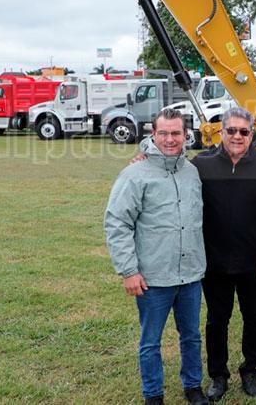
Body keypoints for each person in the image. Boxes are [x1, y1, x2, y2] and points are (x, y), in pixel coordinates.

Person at [104, 108, 207, 405]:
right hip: (152, 276)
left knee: (191, 336)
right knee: (151, 341)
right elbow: (117, 222)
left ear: (185, 135)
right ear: (153, 134)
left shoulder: (192, 171)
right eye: (164, 133)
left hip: (190, 273)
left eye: (176, 133)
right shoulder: (135, 174)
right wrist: (128, 270)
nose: (170, 139)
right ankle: (153, 394)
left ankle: (193, 386)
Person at [191, 107, 256, 401]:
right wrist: (144, 157)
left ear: (252, 134)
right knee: (217, 320)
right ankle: (218, 375)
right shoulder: (200, 165)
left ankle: (250, 371)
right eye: (231, 130)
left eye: (244, 132)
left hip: (253, 261)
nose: (237, 136)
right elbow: (168, 172)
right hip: (213, 260)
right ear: (221, 132)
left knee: (254, 318)